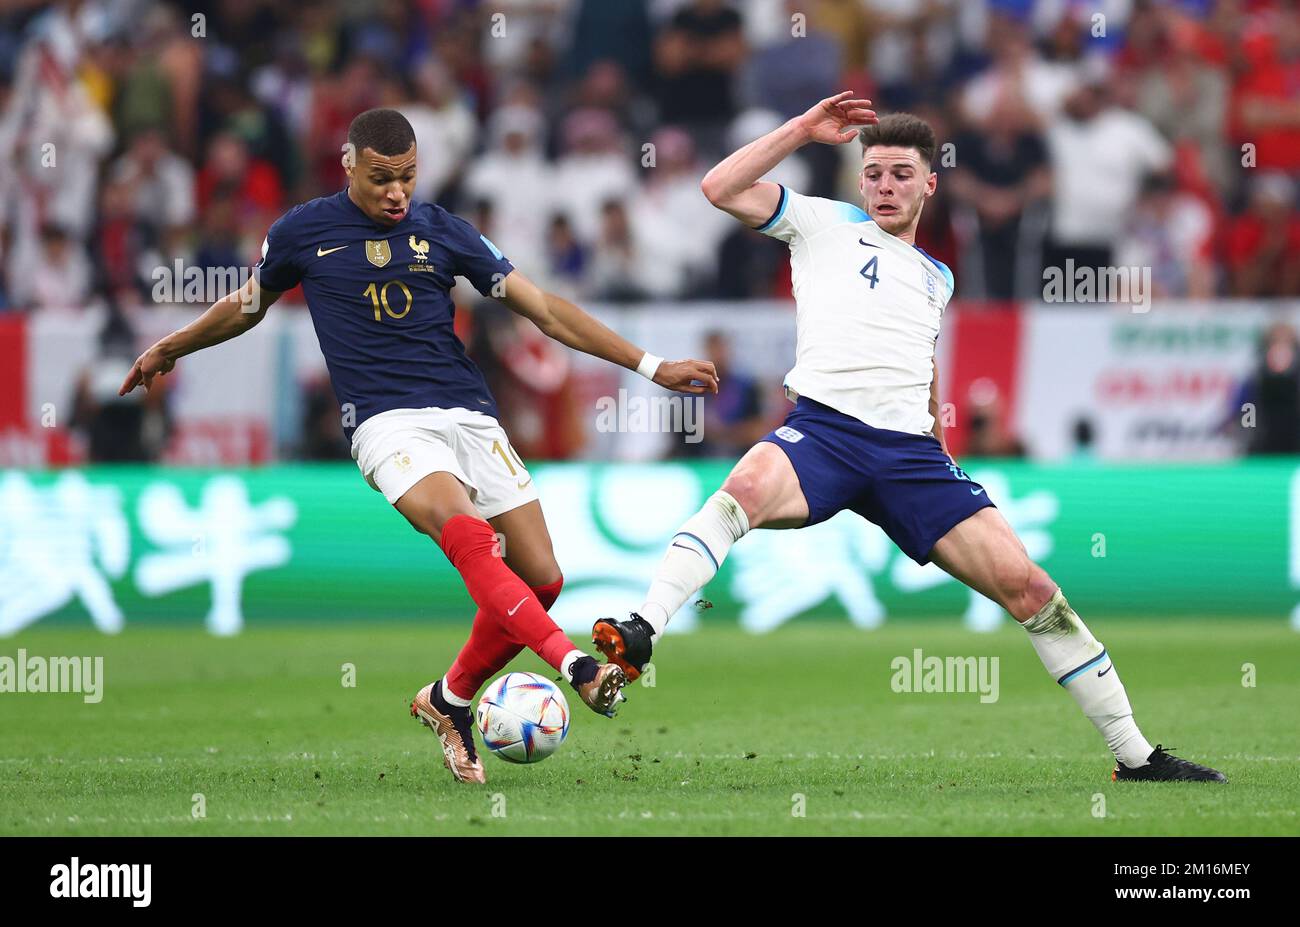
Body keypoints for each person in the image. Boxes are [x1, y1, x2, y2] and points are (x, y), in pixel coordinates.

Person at [594, 95, 1224, 783]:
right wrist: (804, 129)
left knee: (1032, 588)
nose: (885, 186)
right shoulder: (822, 222)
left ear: (930, 183)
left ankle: (1135, 756)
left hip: (911, 457)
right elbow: (719, 186)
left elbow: (923, 369)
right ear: (858, 182)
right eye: (874, 174)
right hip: (824, 431)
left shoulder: (937, 277)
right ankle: (643, 626)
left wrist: (942, 447)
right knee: (741, 489)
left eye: (900, 173)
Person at [119, 108, 718, 785]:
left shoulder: (443, 230)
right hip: (385, 421)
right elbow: (248, 305)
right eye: (381, 179)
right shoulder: (302, 232)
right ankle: (576, 665)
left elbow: (545, 309)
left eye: (406, 177)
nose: (396, 193)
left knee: (541, 579)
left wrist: (651, 365)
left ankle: (448, 698)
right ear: (349, 165)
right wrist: (171, 344)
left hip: (469, 415)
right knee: (467, 535)